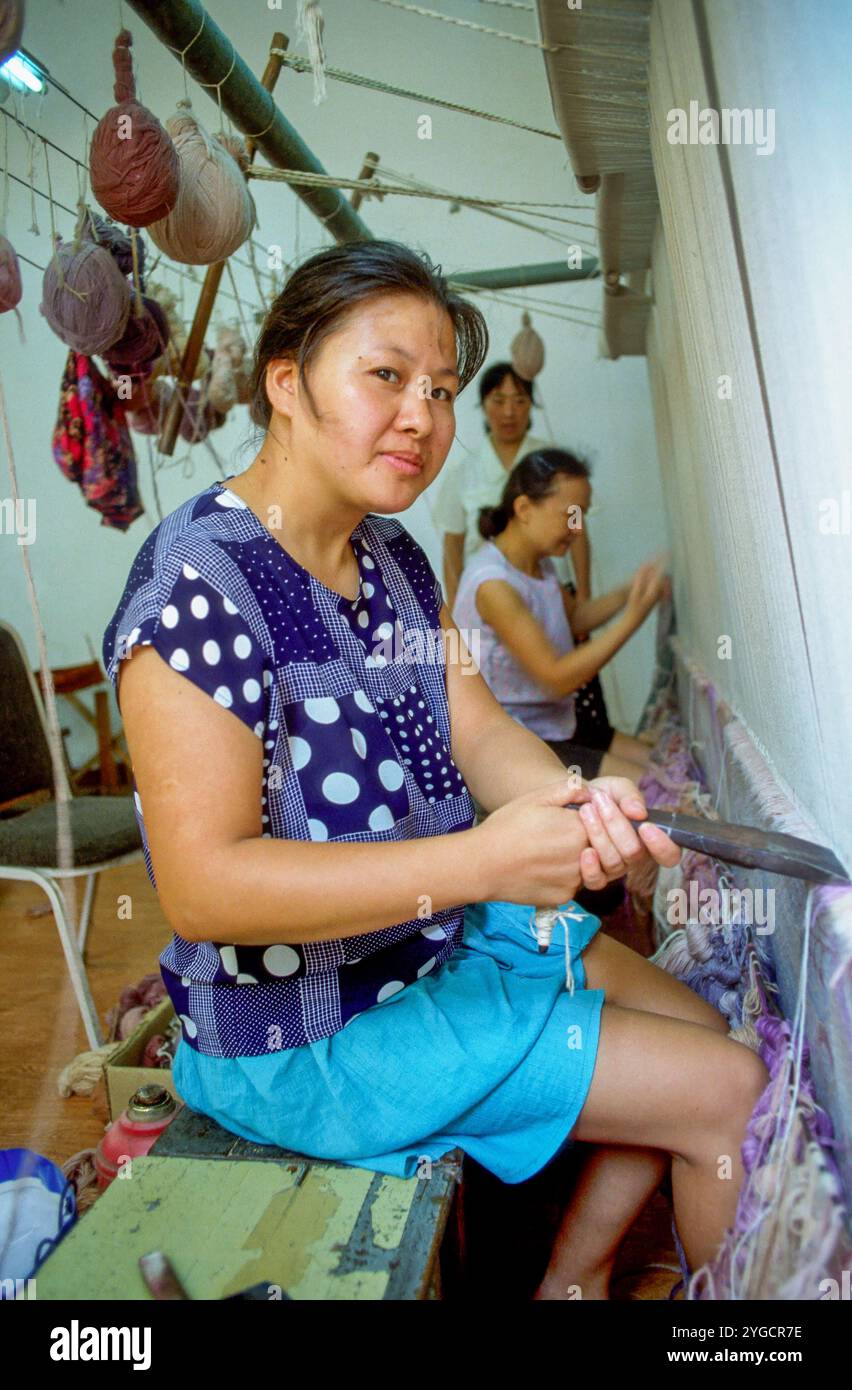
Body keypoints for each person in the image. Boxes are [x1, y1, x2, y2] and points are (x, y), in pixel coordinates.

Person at [103, 239, 768, 1299]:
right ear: (287, 382)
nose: (424, 414)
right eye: (387, 376)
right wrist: (481, 862)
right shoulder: (199, 587)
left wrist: (566, 797)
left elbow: (479, 728)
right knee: (730, 1090)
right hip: (306, 1028)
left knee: (703, 1029)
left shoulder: (394, 561)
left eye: (443, 389)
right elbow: (205, 887)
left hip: (428, 945)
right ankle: (582, 1277)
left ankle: (569, 1280)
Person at [452, 448, 666, 785]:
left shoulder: (539, 563)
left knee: (668, 765)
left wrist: (631, 592)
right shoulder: (493, 583)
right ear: (523, 509)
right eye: (571, 515)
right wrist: (633, 618)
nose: (578, 529)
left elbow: (575, 618)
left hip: (558, 722)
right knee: (662, 792)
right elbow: (556, 678)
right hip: (518, 740)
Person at [431, 360, 590, 612]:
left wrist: (583, 597)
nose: (508, 412)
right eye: (498, 400)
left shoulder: (555, 463)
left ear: (531, 405)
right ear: (483, 405)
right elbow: (452, 548)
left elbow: (577, 528)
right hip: (492, 606)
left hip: (553, 598)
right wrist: (459, 612)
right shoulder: (462, 474)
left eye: (519, 400)